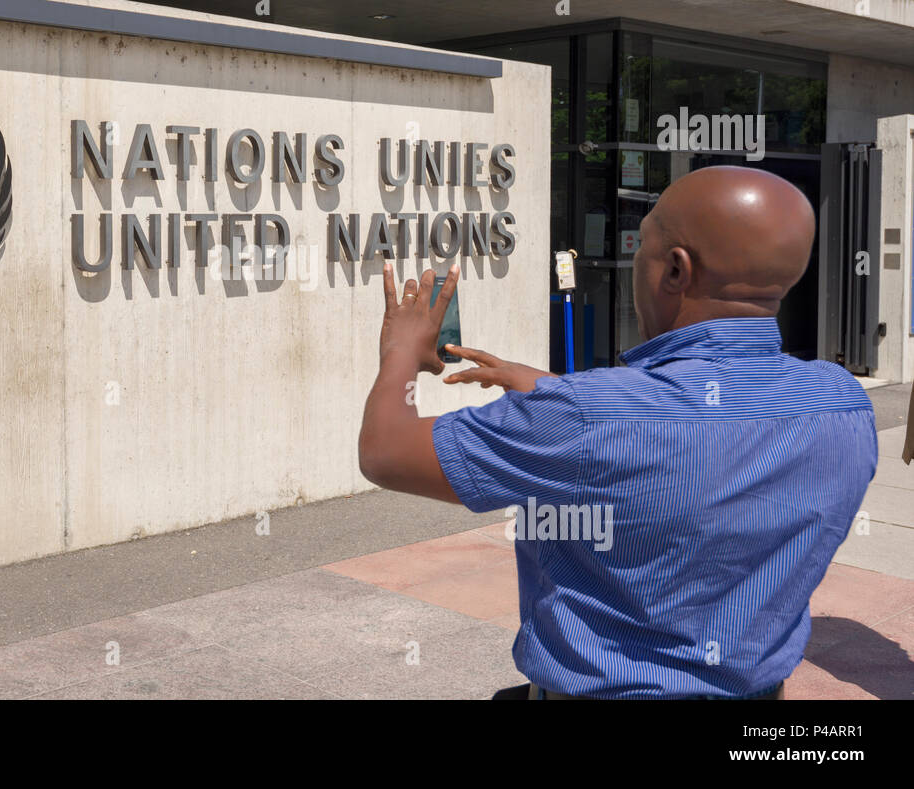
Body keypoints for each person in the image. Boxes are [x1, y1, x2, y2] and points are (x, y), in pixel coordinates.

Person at [359, 165, 876, 699]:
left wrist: (401, 353)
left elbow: (385, 452)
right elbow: (699, 435)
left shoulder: (585, 417)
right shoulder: (844, 403)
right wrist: (558, 393)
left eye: (643, 250)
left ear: (676, 270)